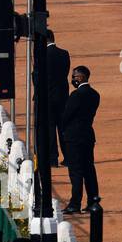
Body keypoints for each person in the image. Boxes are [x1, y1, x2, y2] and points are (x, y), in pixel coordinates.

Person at [62, 65, 101, 214]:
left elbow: (67, 115)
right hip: (87, 135)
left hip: (74, 137)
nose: (73, 79)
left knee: (76, 171)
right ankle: (93, 201)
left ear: (83, 77)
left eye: (75, 76)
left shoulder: (76, 95)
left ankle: (75, 203)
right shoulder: (95, 94)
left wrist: (64, 129)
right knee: (89, 169)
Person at [47, 32, 71, 165]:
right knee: (63, 127)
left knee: (50, 128)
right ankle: (68, 157)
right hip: (62, 96)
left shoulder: (42, 55)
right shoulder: (64, 53)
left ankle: (52, 158)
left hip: (48, 97)